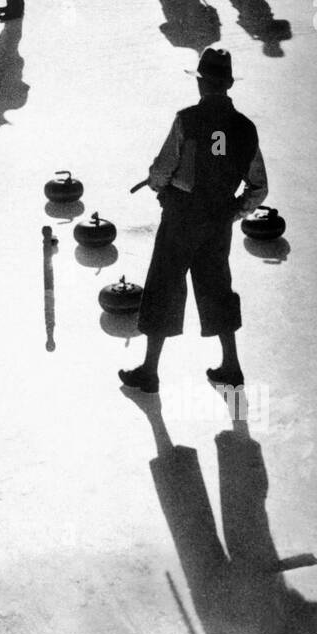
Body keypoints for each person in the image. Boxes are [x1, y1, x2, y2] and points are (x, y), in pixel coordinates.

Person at [119, 46, 268, 394]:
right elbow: (259, 186)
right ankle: (231, 366)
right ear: (229, 83)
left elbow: (162, 170)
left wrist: (158, 186)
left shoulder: (187, 119)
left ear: (201, 84)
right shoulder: (245, 129)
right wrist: (236, 211)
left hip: (182, 217)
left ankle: (150, 371)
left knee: (164, 286)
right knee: (217, 288)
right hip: (218, 221)